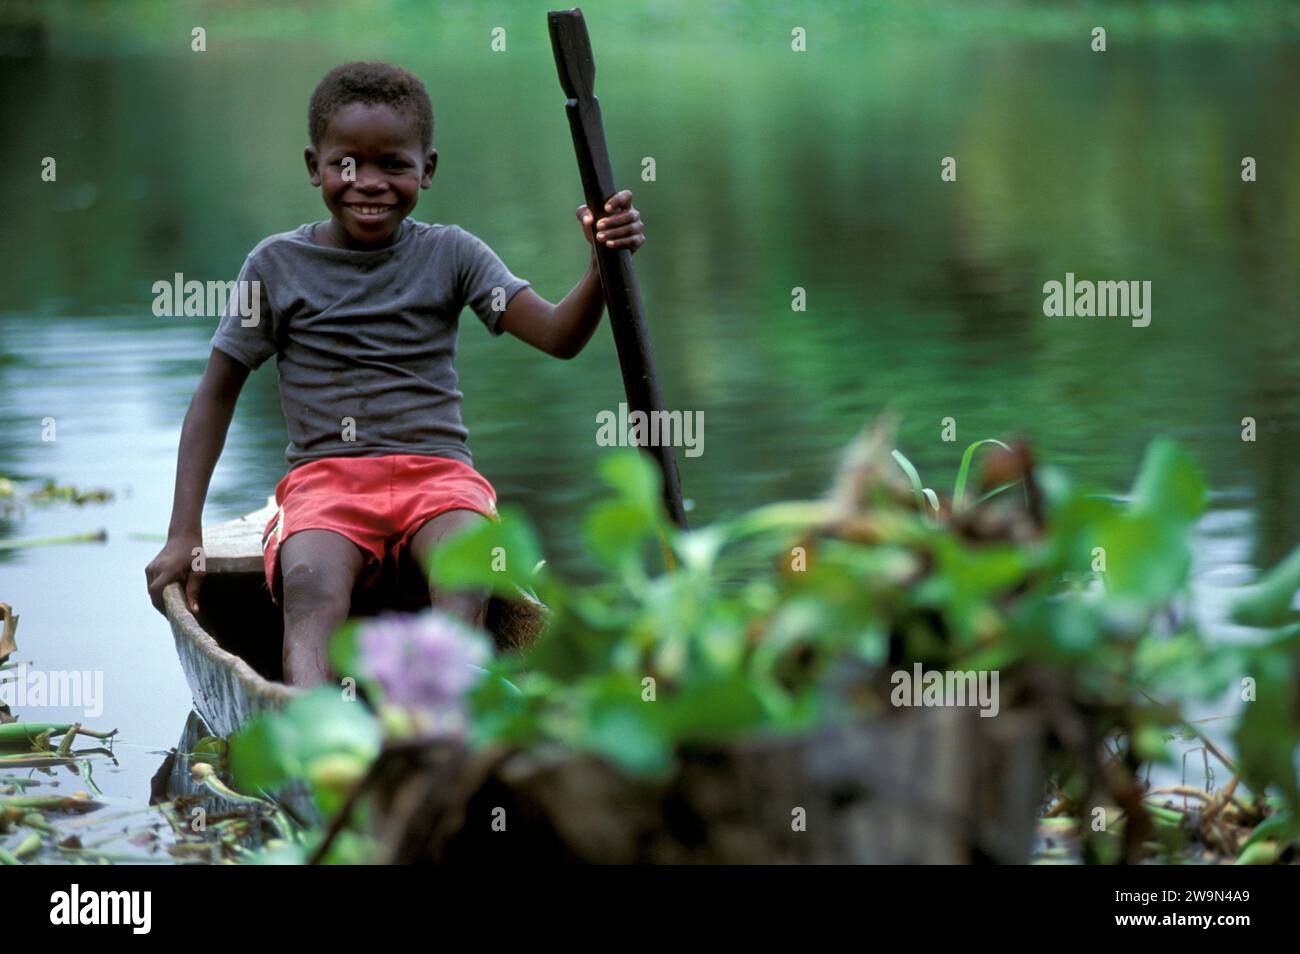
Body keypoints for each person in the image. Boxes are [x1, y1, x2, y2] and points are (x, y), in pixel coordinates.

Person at [145, 61, 644, 686]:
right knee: (311, 588)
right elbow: (216, 396)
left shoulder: (453, 254)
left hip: (439, 480)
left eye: (394, 165)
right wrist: (183, 531)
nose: (370, 183)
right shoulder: (275, 265)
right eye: (347, 164)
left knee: (466, 576)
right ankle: (314, 732)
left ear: (426, 170)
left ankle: (443, 718)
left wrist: (602, 263)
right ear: (314, 167)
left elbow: (558, 336)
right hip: (327, 482)